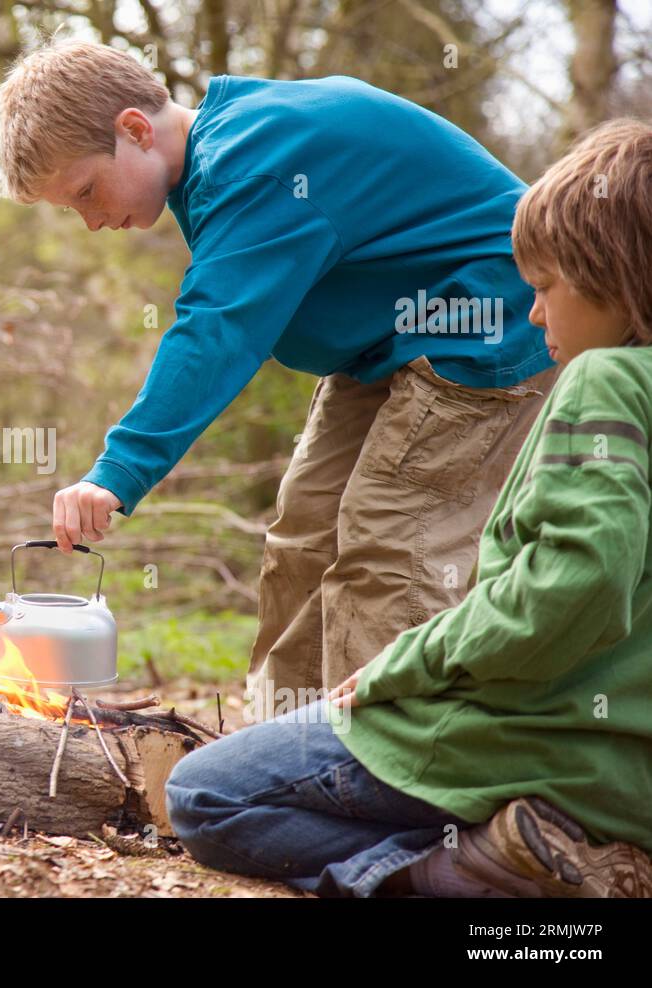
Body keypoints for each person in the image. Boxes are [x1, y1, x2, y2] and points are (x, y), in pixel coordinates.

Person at [0, 40, 557, 714]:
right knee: (304, 542)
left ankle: (379, 779)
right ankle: (274, 753)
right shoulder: (219, 157)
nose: (89, 221)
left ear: (135, 129)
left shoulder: (253, 163)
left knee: (388, 553)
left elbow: (219, 331)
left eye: (87, 191)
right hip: (388, 348)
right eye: (70, 209)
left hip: (486, 331)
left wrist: (116, 472)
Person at [164, 119, 652, 897]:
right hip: (630, 779)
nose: (533, 315)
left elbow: (573, 586)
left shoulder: (607, 385)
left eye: (545, 286)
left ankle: (460, 872)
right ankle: (519, 850)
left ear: (613, 277)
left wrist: (406, 663)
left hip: (544, 747)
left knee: (202, 797)